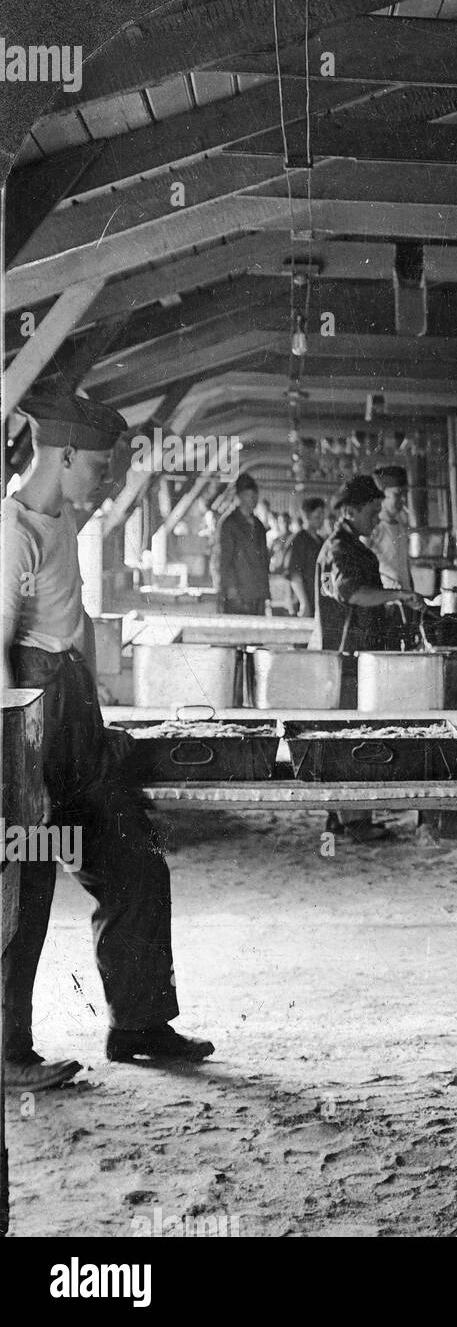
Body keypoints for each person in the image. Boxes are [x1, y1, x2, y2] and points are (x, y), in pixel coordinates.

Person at [2, 388, 214, 1091]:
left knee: (135, 862)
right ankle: (7, 1055)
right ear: (60, 456)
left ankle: (139, 1024)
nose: (107, 477)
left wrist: (92, 713)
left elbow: (69, 622)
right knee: (21, 887)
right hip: (23, 723)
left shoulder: (58, 516)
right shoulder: (11, 532)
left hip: (69, 713)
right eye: (98, 464)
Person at [309, 475, 427, 843]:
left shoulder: (347, 545)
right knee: (354, 735)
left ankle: (341, 817)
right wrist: (398, 595)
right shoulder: (340, 548)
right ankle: (354, 821)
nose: (376, 519)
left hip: (350, 652)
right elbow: (353, 594)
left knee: (346, 734)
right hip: (347, 655)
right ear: (351, 510)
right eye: (372, 512)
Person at [211, 473, 270, 615]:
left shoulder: (259, 525)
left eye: (256, 496)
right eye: (250, 495)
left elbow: (263, 559)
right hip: (237, 594)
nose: (254, 500)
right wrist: (230, 590)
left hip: (257, 593)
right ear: (240, 496)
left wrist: (265, 592)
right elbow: (224, 559)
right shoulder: (229, 524)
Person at [286, 496, 326, 618]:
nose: (321, 519)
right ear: (307, 516)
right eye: (317, 516)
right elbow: (294, 574)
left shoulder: (321, 541)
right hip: (303, 602)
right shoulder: (298, 540)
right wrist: (304, 603)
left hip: (318, 600)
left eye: (322, 515)